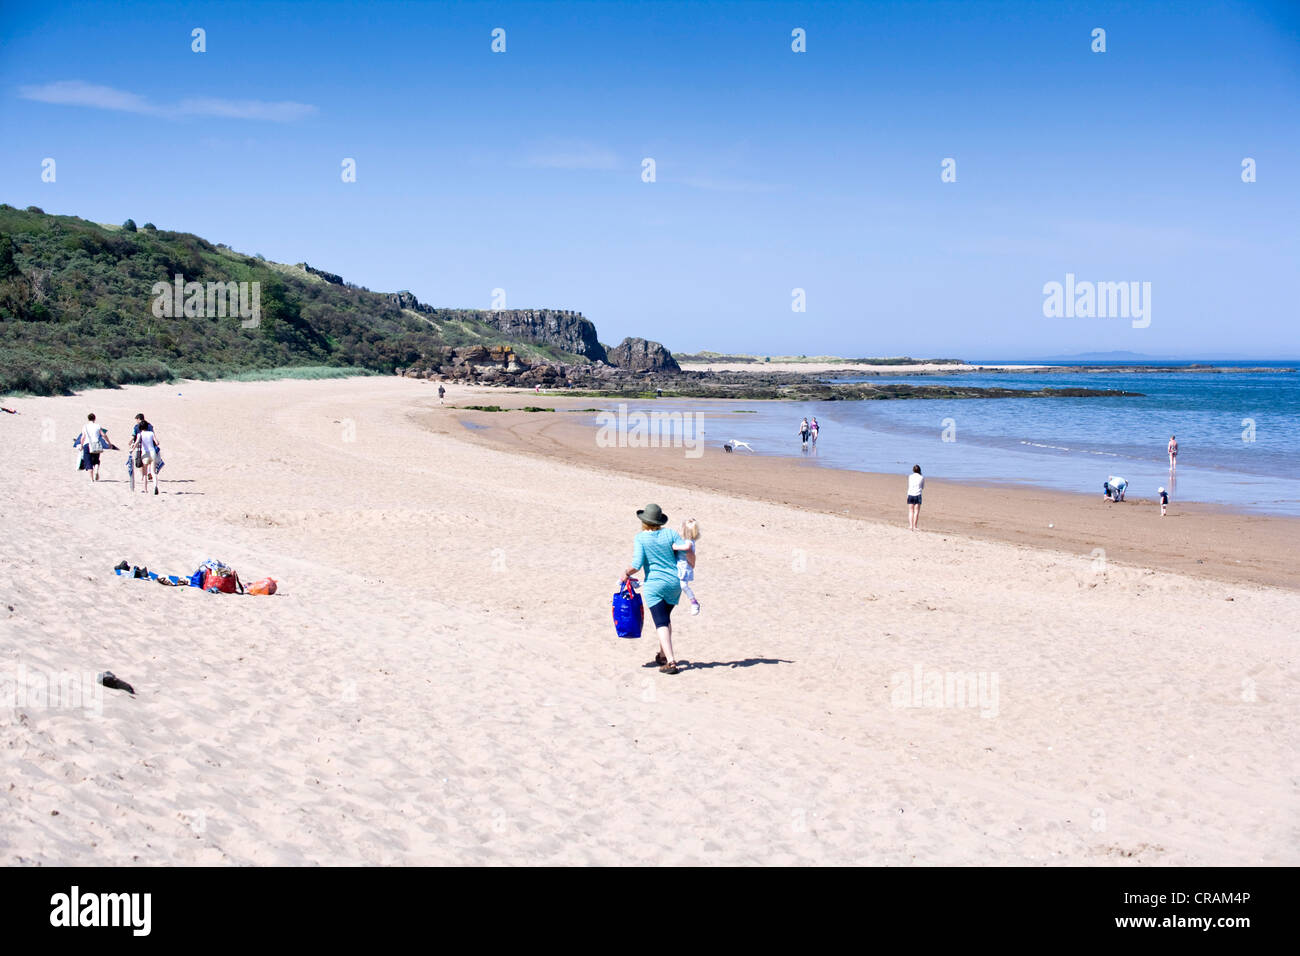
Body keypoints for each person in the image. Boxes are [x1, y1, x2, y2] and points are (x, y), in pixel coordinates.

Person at [620, 504, 686, 674]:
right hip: (674, 583)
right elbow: (684, 553)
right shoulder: (670, 533)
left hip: (654, 585)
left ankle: (671, 662)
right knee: (665, 618)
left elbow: (637, 565)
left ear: (644, 521)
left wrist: (625, 573)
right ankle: (663, 656)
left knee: (661, 622)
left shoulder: (641, 538)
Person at [673, 518, 702, 615]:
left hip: (684, 567)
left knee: (683, 585)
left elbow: (687, 548)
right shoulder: (684, 540)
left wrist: (675, 547)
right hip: (679, 565)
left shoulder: (689, 541)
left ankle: (694, 602)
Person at [131, 415, 161, 495]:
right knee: (153, 472)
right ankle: (155, 486)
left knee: (144, 473)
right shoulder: (151, 433)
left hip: (145, 454)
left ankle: (145, 489)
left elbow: (137, 443)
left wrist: (132, 449)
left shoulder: (140, 434)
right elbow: (157, 442)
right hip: (153, 453)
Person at [78, 413, 108, 481]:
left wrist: (81, 445)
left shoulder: (85, 426)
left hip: (87, 445)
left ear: (88, 419)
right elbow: (103, 435)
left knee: (88, 462)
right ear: (95, 418)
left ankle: (92, 479)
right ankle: (96, 470)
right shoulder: (98, 426)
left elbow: (83, 437)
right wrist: (109, 443)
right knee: (96, 460)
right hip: (96, 444)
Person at [907, 464, 924, 531]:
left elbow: (909, 485)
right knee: (916, 511)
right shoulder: (921, 477)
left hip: (910, 494)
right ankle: (915, 526)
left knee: (911, 511)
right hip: (918, 494)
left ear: (913, 470)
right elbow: (922, 487)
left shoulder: (910, 476)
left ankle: (911, 526)